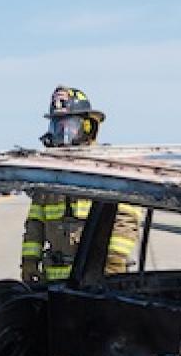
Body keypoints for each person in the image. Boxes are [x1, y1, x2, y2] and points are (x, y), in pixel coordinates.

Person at [22, 86, 140, 284]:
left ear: (87, 127)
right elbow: (35, 223)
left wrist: (113, 263)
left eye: (67, 127)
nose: (61, 135)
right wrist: (29, 262)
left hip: (96, 281)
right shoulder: (49, 175)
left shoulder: (106, 170)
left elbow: (126, 221)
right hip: (54, 280)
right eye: (56, 127)